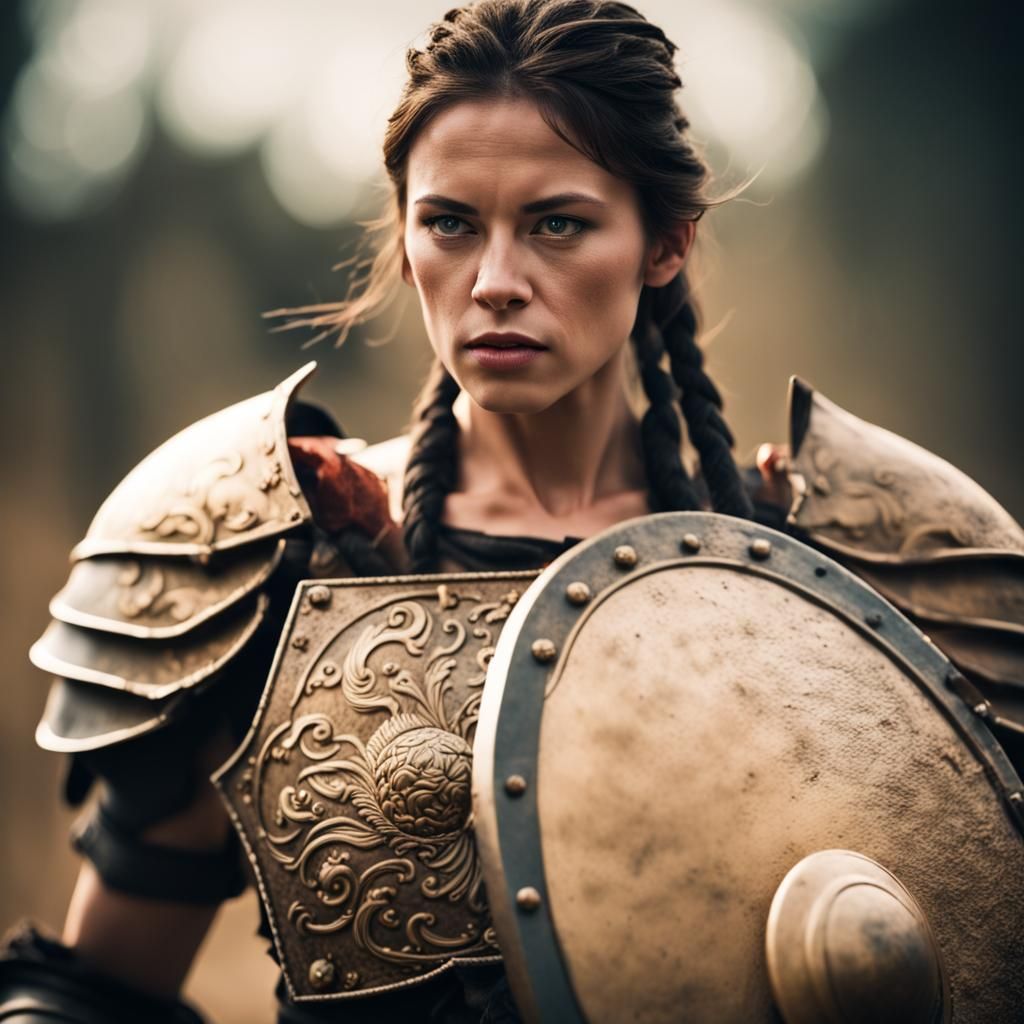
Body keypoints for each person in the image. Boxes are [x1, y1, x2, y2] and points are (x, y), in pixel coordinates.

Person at [3, 1, 1021, 1022]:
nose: (494, 282)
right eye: (450, 222)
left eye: (557, 224)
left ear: (664, 242)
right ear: (405, 241)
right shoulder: (273, 554)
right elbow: (95, 991)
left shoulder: (841, 568)